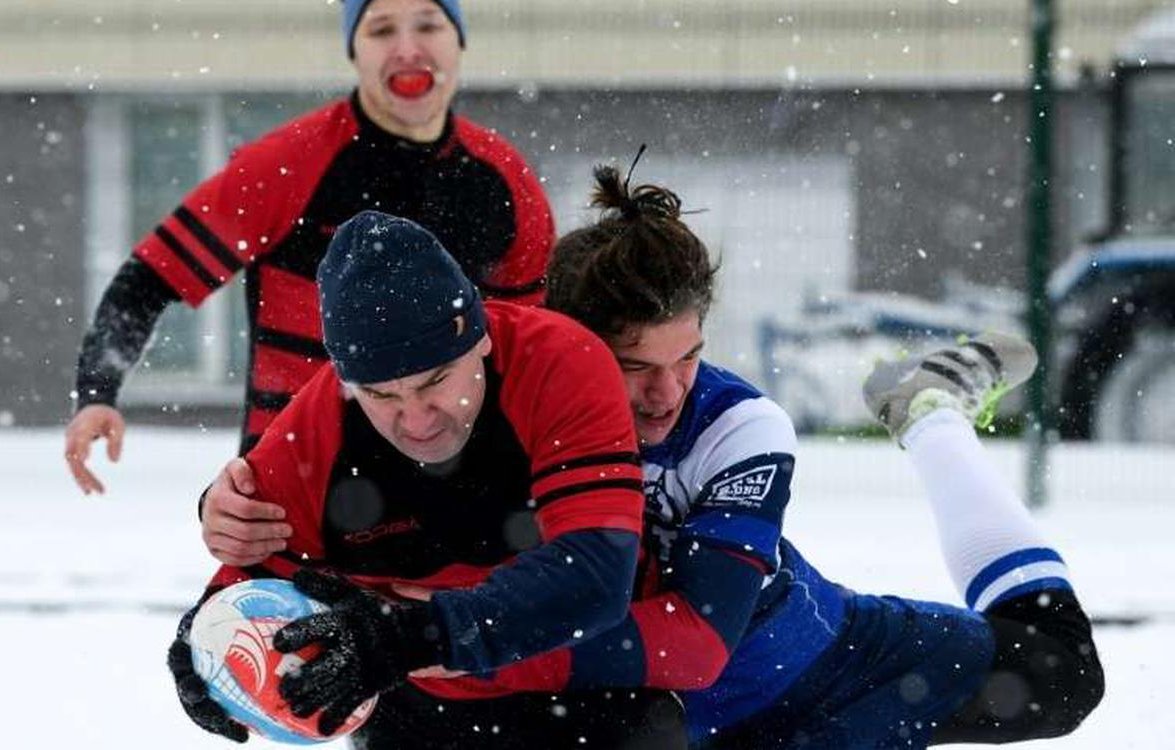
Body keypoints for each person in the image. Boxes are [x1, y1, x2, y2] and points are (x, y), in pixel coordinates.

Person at [203, 166, 1104, 747]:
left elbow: (696, 641)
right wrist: (233, 522)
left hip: (816, 666)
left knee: (1064, 680)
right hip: (671, 720)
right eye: (631, 368)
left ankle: (931, 413)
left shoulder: (739, 427)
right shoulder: (504, 399)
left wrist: (428, 645)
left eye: (689, 357)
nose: (664, 395)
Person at [167, 210, 685, 749]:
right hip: (422, 714)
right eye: (382, 395)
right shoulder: (312, 433)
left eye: (437, 380)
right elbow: (241, 590)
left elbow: (595, 577)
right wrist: (199, 651)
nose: (417, 420)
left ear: (481, 339)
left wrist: (413, 637)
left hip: (593, 690)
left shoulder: (561, 363)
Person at [65, 0, 554, 494]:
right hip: (295, 485)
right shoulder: (288, 164)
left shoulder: (505, 180)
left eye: (428, 25)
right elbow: (148, 280)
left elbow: (537, 343)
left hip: (460, 491)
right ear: (353, 51)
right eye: (381, 30)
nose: (408, 48)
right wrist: (96, 393)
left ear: (458, 42)